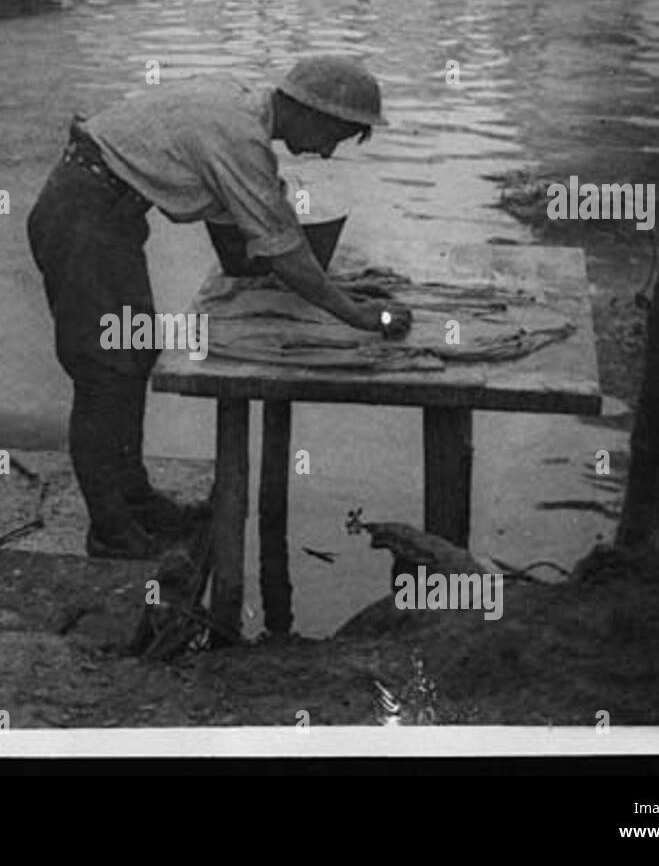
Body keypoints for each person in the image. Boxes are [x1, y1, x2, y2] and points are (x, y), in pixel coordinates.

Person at [27, 55, 412, 560]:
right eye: (334, 137)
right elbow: (284, 252)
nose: (324, 152)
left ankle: (135, 498)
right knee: (105, 373)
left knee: (133, 356)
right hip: (83, 217)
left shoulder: (238, 106)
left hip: (106, 214)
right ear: (314, 114)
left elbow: (254, 224)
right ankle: (110, 530)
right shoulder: (241, 137)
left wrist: (334, 285)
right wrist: (360, 317)